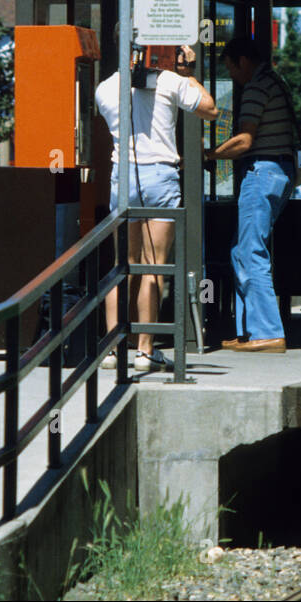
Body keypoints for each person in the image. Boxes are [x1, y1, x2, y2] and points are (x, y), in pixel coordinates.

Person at [95, 44, 217, 371]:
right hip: (160, 175)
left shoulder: (104, 89)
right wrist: (187, 72)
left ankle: (112, 349)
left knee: (123, 264)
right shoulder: (169, 81)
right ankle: (145, 351)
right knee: (154, 264)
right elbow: (210, 109)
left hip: (123, 177)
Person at [205, 36, 301, 354]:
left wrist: (209, 155)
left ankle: (268, 332)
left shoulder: (256, 87)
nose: (231, 75)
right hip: (280, 172)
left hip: (261, 173)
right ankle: (249, 331)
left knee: (250, 252)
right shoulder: (275, 80)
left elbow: (245, 141)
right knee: (240, 250)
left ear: (242, 61)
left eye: (231, 67)